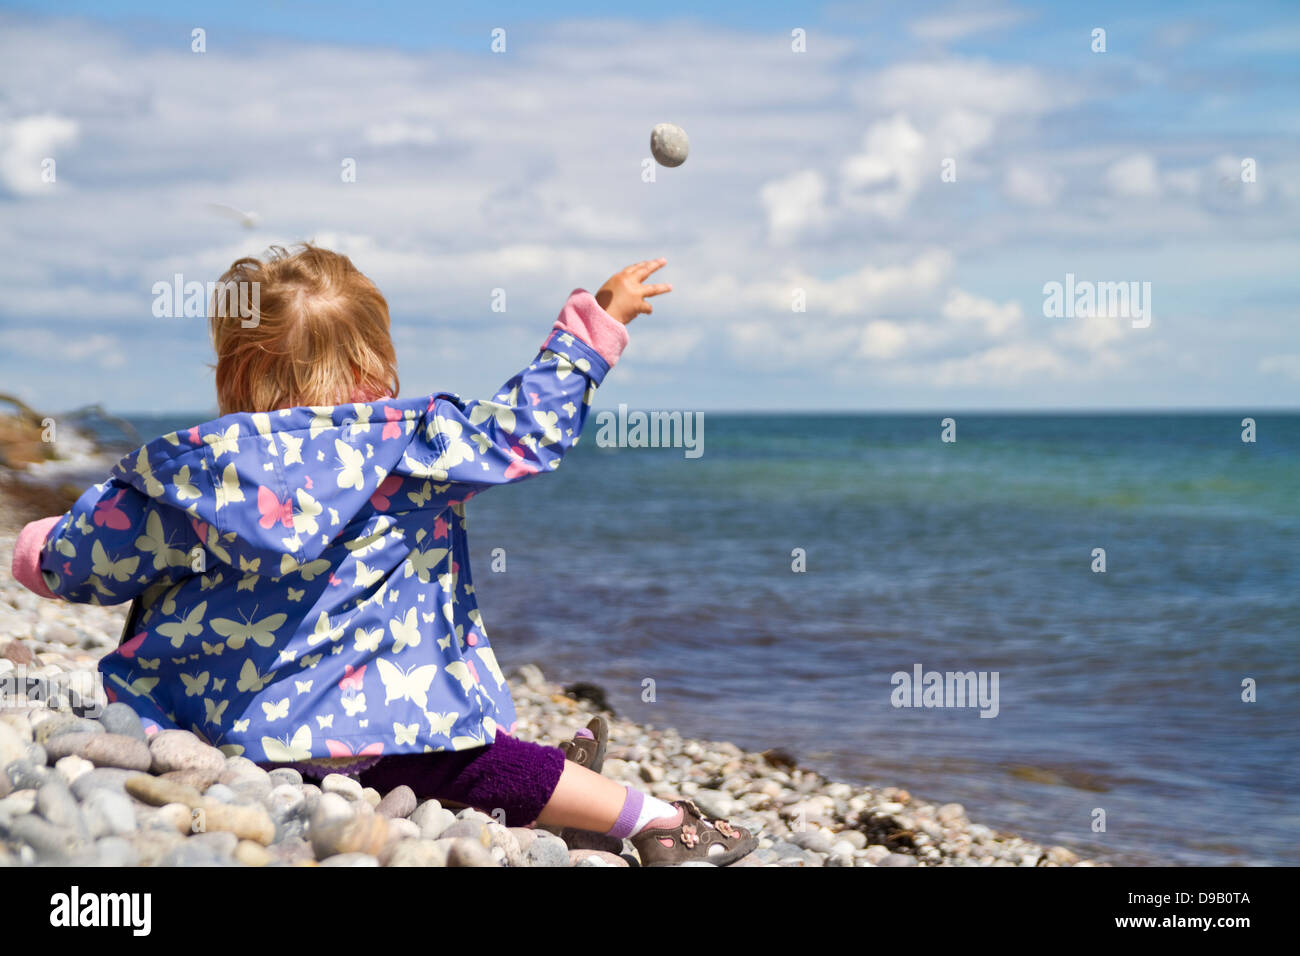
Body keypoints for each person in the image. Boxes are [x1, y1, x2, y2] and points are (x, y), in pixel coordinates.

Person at [10, 243, 757, 866]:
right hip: (380, 732)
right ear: (381, 365)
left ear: (232, 375)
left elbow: (90, 560)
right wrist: (594, 325)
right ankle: (657, 821)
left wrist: (41, 554)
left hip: (232, 731)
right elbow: (531, 426)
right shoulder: (418, 446)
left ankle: (548, 776)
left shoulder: (195, 476)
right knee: (456, 756)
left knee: (449, 751)